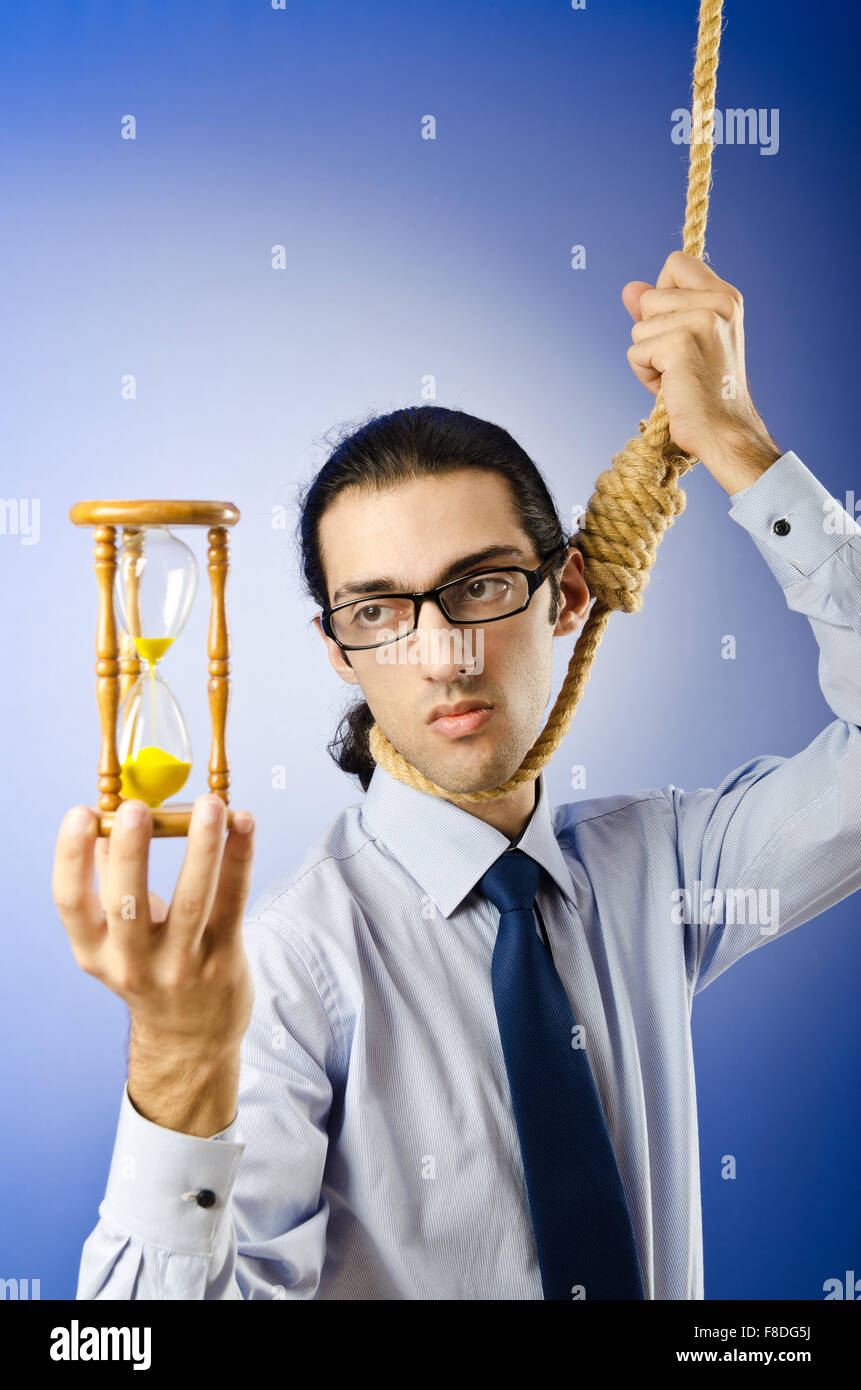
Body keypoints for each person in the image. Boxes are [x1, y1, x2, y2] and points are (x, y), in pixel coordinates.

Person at [54, 252, 861, 1299]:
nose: (444, 655)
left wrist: (742, 448)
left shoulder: (661, 872)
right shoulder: (291, 970)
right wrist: (174, 1066)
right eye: (380, 612)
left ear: (566, 593)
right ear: (337, 649)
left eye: (480, 586)